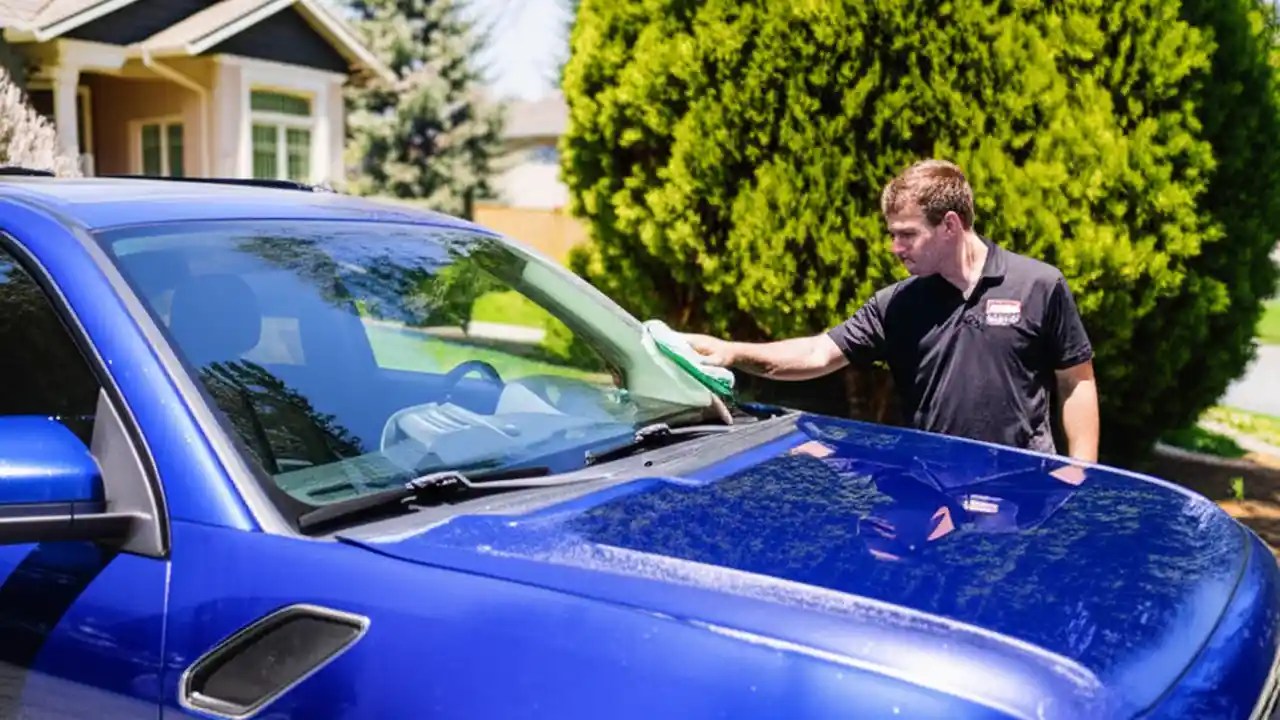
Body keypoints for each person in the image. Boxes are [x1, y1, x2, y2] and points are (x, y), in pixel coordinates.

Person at [684, 159, 1100, 462]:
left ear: (950, 225)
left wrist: (1079, 474)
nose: (895, 248)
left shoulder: (1039, 285)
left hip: (1024, 491)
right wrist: (732, 351)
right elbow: (817, 354)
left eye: (907, 235)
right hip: (934, 499)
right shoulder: (898, 305)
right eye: (892, 234)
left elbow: (1076, 381)